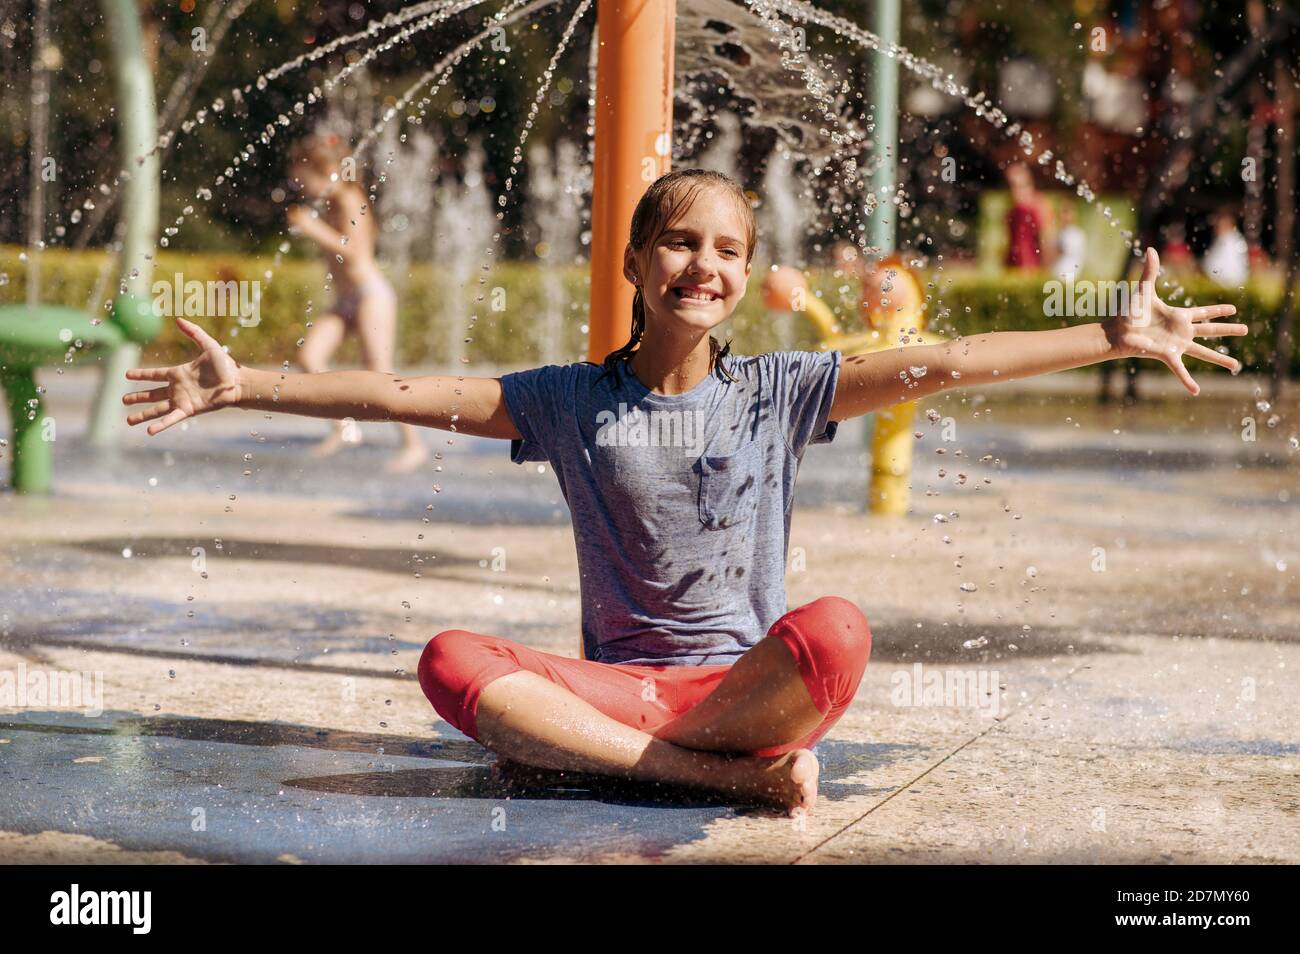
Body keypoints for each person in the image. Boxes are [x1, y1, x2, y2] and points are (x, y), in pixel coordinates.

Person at [121, 168, 1247, 817]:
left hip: (748, 689)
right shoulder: (565, 400)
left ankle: (668, 761)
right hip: (617, 695)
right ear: (633, 262)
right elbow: (403, 394)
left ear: (746, 274)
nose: (701, 265)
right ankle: (716, 782)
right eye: (677, 242)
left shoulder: (782, 390)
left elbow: (941, 363)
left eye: (726, 249)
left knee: (839, 630)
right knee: (449, 660)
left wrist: (1111, 332)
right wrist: (244, 384)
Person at [287, 132, 428, 474]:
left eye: (304, 180)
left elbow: (356, 251)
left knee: (379, 371)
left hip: (371, 295)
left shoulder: (351, 198)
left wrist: (312, 228)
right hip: (348, 300)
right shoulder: (333, 204)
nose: (301, 188)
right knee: (309, 356)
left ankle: (414, 445)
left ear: (325, 171)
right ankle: (345, 429)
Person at [1004, 162, 1049, 270]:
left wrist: (1047, 269)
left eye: (1017, 186)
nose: (1013, 191)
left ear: (1029, 185)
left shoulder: (1037, 206)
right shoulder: (1012, 210)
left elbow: (1047, 240)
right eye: (1010, 186)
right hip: (1014, 267)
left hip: (1033, 268)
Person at [1202, 207, 1250, 288]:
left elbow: (1232, 270)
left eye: (1218, 224)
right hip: (1223, 284)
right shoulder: (1225, 239)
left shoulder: (1230, 241)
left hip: (1227, 285)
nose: (1215, 228)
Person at [1053, 203, 1087, 283]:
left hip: (1068, 273)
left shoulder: (1077, 234)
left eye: (1066, 214)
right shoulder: (1060, 232)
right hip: (1059, 274)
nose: (1064, 217)